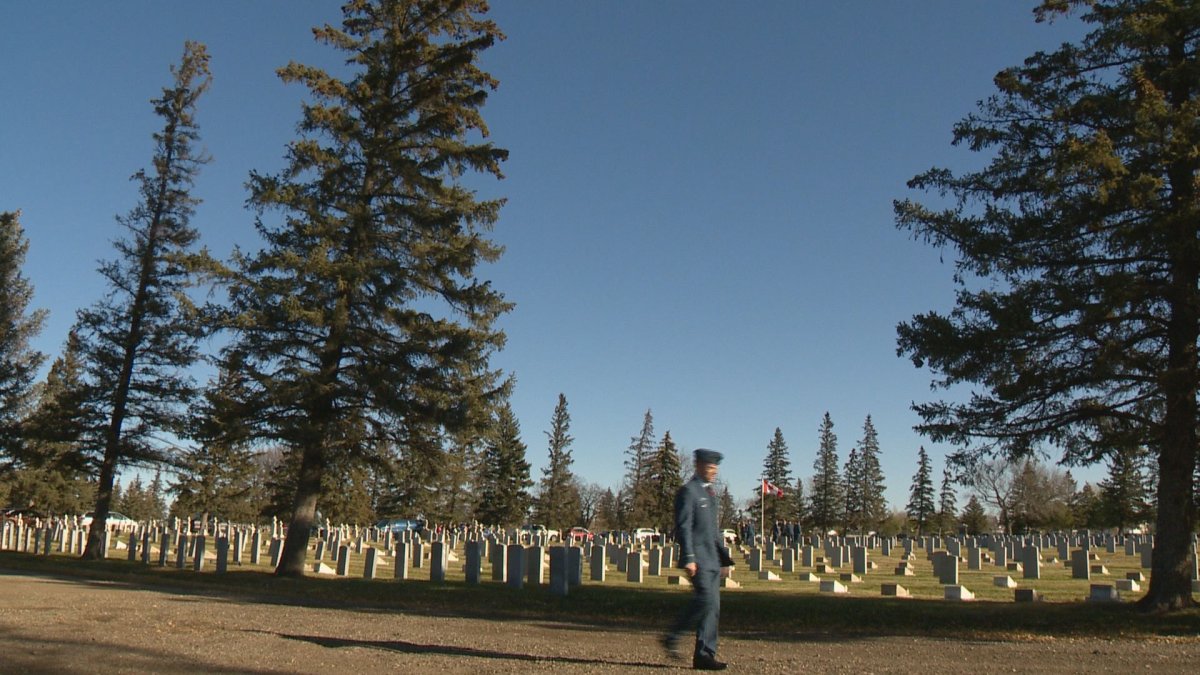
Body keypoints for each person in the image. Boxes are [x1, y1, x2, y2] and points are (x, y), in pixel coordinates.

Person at [662, 448, 735, 670]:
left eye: (715, 468)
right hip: (698, 559)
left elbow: (713, 531)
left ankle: (704, 655)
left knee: (713, 608)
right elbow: (683, 527)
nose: (714, 471)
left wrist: (723, 560)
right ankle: (673, 636)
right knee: (705, 600)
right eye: (710, 467)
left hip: (712, 559)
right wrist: (689, 557)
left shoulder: (710, 493)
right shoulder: (689, 492)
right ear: (699, 466)